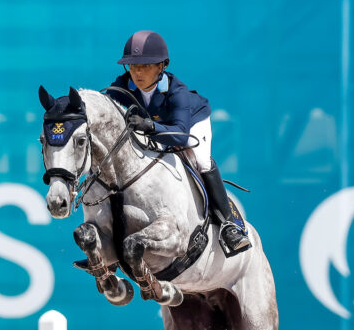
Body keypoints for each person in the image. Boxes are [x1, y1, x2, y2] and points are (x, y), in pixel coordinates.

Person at [105, 30, 251, 256]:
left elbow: (182, 135)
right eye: (133, 66)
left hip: (191, 123)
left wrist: (152, 127)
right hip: (155, 127)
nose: (137, 73)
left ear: (161, 66)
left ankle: (229, 225)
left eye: (145, 66)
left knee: (200, 161)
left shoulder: (177, 92)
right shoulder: (122, 86)